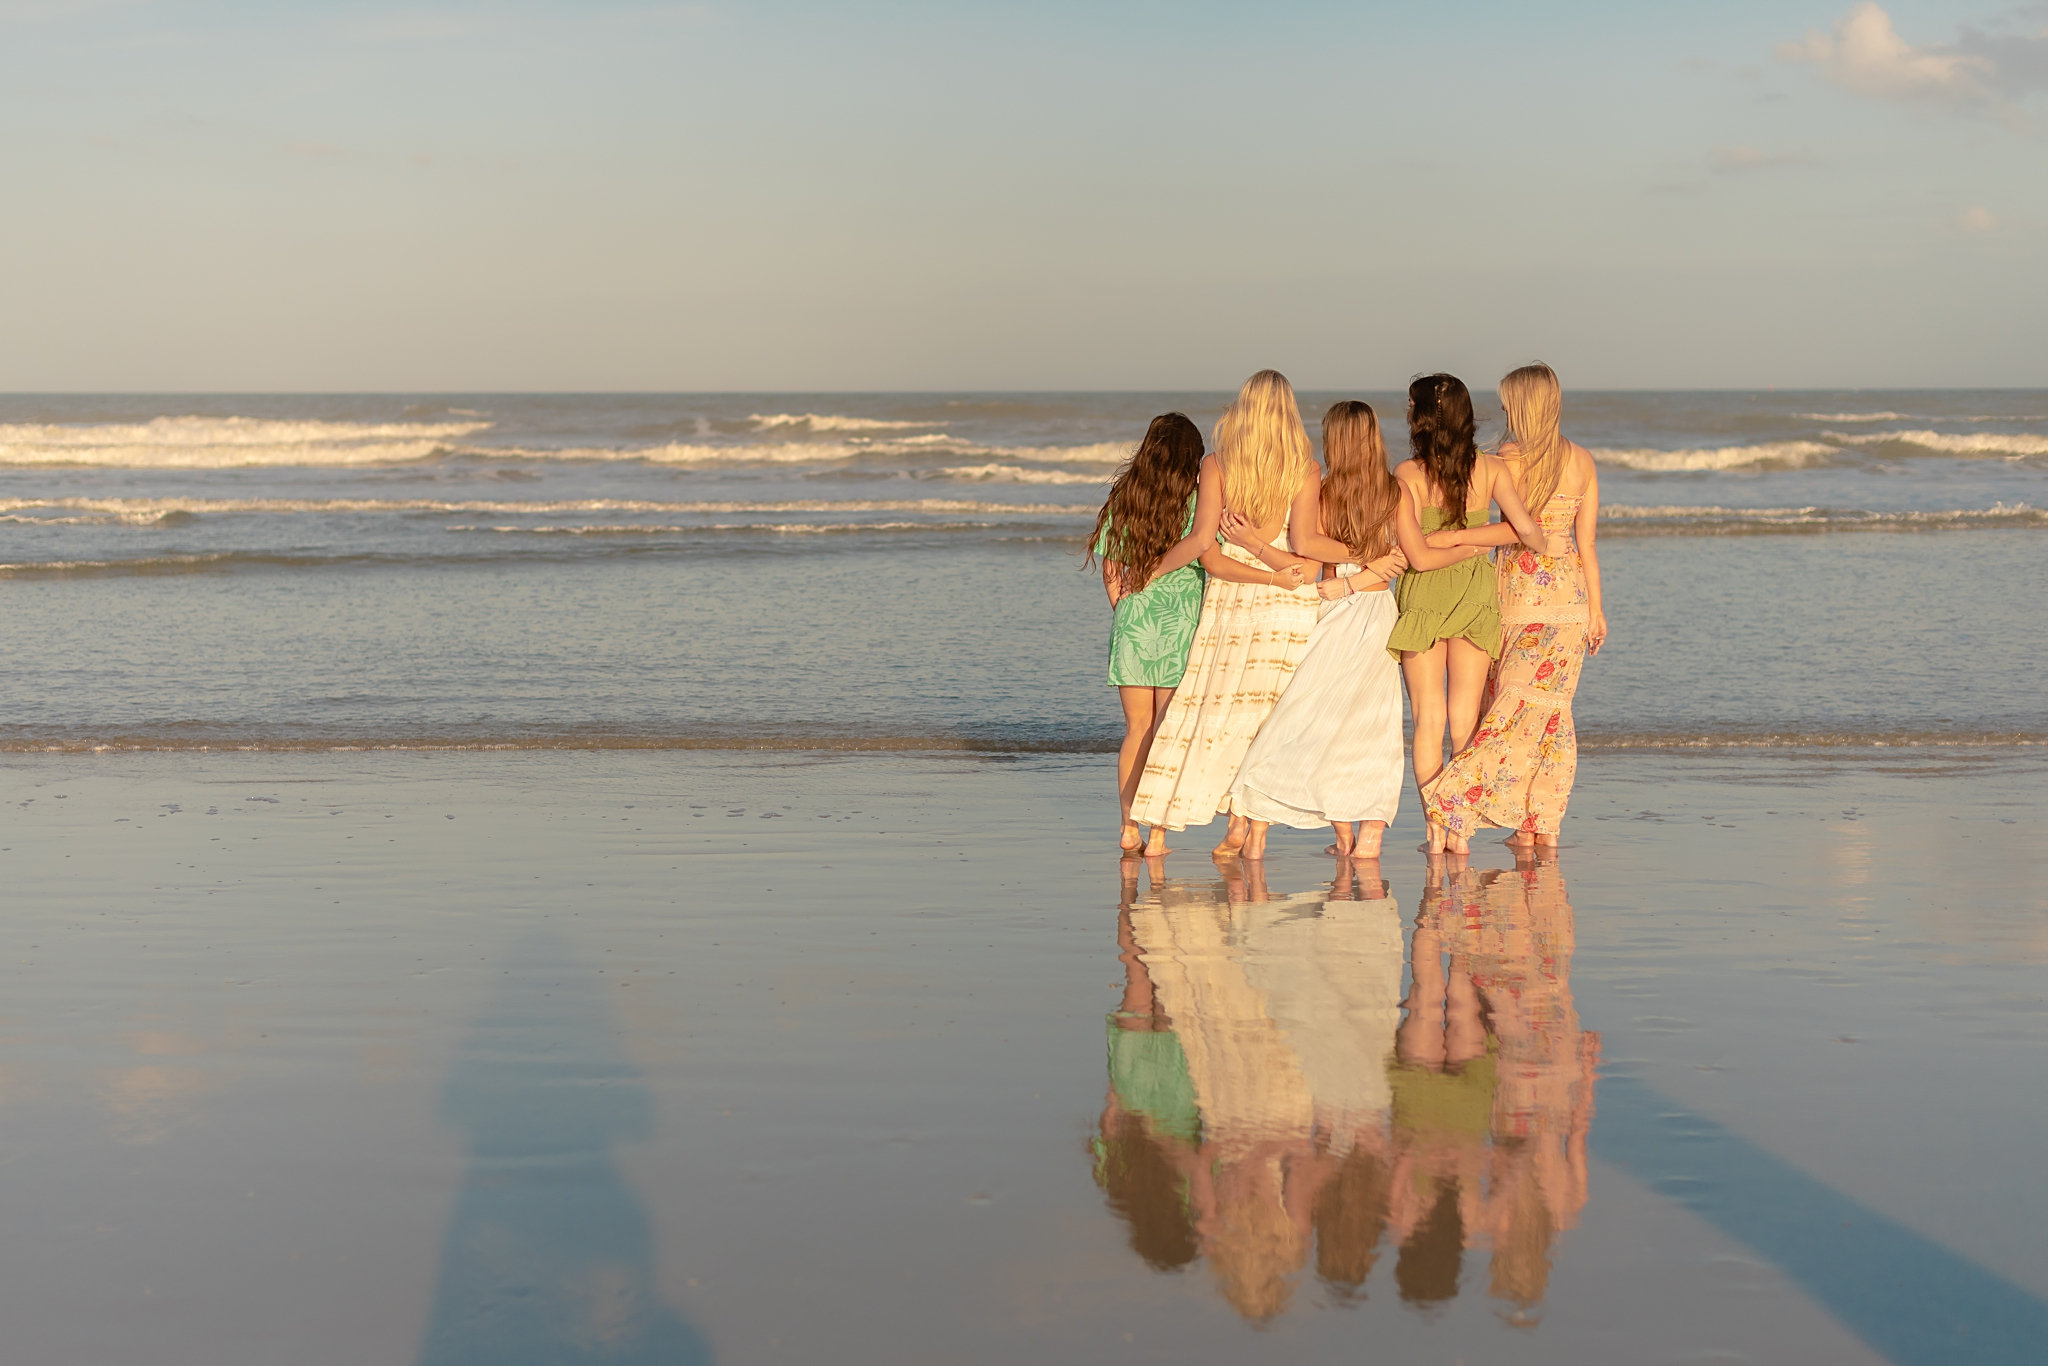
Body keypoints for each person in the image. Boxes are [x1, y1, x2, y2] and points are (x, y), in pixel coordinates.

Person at [1129, 371, 1320, 857]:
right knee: (1266, 721)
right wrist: (1277, 575)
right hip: (1288, 608)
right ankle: (1246, 831)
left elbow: (1206, 553)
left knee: (1204, 711)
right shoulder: (1304, 468)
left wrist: (1149, 570)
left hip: (1232, 602)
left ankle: (1158, 830)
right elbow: (1302, 555)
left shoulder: (1216, 465)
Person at [1420, 363, 1607, 849]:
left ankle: (1451, 799)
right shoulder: (1583, 460)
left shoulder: (1508, 457)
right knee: (1549, 716)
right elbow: (1586, 546)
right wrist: (1598, 612)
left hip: (1518, 597)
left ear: (1523, 406)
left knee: (1505, 707)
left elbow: (1512, 530)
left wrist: (1450, 536)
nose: (1502, 411)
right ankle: (1537, 824)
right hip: (1571, 602)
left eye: (1507, 404)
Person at [1221, 401, 1410, 861]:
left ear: (1334, 441)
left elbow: (1308, 545)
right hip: (1375, 608)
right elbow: (1397, 558)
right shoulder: (1395, 490)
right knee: (1372, 724)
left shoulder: (1324, 490)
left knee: (1308, 714)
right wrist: (1369, 558)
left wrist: (1351, 574)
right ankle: (1363, 835)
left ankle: (1265, 815)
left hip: (1337, 606)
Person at [1383, 374, 1562, 854]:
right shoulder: (1490, 470)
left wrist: (1450, 538)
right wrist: (1470, 540)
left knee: (1428, 720)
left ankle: (1435, 829)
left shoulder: (1407, 475)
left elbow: (1418, 557)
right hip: (1474, 592)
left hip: (1424, 596)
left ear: (1420, 418)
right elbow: (1527, 532)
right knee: (1464, 720)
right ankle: (1458, 828)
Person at [1086, 413, 1215, 853]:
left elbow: (1110, 568)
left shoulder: (1126, 496)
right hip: (1179, 621)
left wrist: (1123, 610)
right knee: (1167, 728)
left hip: (1135, 620)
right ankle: (1157, 831)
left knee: (1137, 728)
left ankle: (1128, 827)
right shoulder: (1197, 501)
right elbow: (1206, 555)